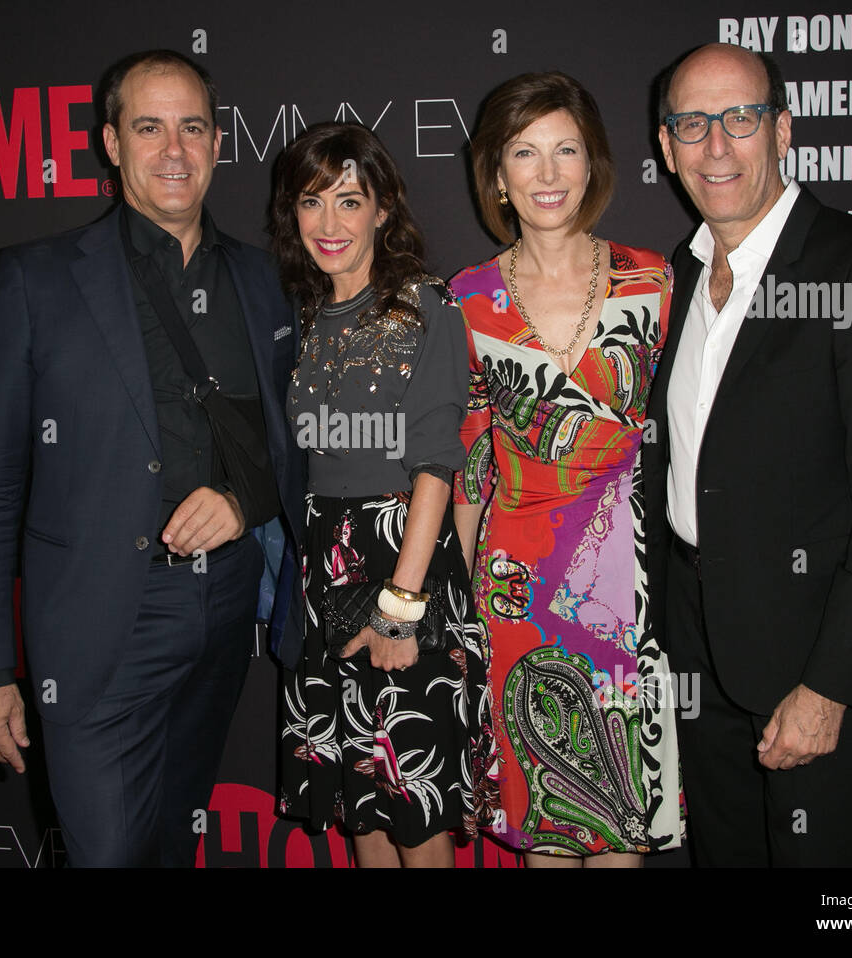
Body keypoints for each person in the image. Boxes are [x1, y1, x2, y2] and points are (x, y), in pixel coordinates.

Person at [0, 49, 304, 867]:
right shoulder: (33, 281)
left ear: (219, 143)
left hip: (222, 617)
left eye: (192, 127)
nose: (173, 149)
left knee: (169, 844)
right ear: (112, 143)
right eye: (149, 127)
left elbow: (289, 445)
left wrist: (245, 501)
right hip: (99, 625)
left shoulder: (266, 282)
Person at [646, 43, 852, 866]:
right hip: (699, 655)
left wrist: (833, 684)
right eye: (693, 124)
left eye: (739, 119)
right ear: (665, 148)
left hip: (815, 657)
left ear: (782, 131)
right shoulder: (677, 276)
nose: (716, 146)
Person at [452, 72, 684, 867]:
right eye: (525, 152)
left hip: (630, 593)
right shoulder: (469, 300)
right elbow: (469, 472)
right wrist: (467, 612)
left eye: (565, 151)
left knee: (622, 833)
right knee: (545, 830)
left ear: (594, 165)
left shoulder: (653, 281)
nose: (547, 174)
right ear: (497, 176)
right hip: (517, 596)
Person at [272, 122, 499, 867]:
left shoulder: (423, 304)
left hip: (405, 565)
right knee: (359, 806)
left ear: (381, 210)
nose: (329, 224)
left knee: (413, 805)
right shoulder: (302, 319)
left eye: (349, 200)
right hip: (325, 574)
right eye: (312, 202)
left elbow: (438, 462)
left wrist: (400, 607)